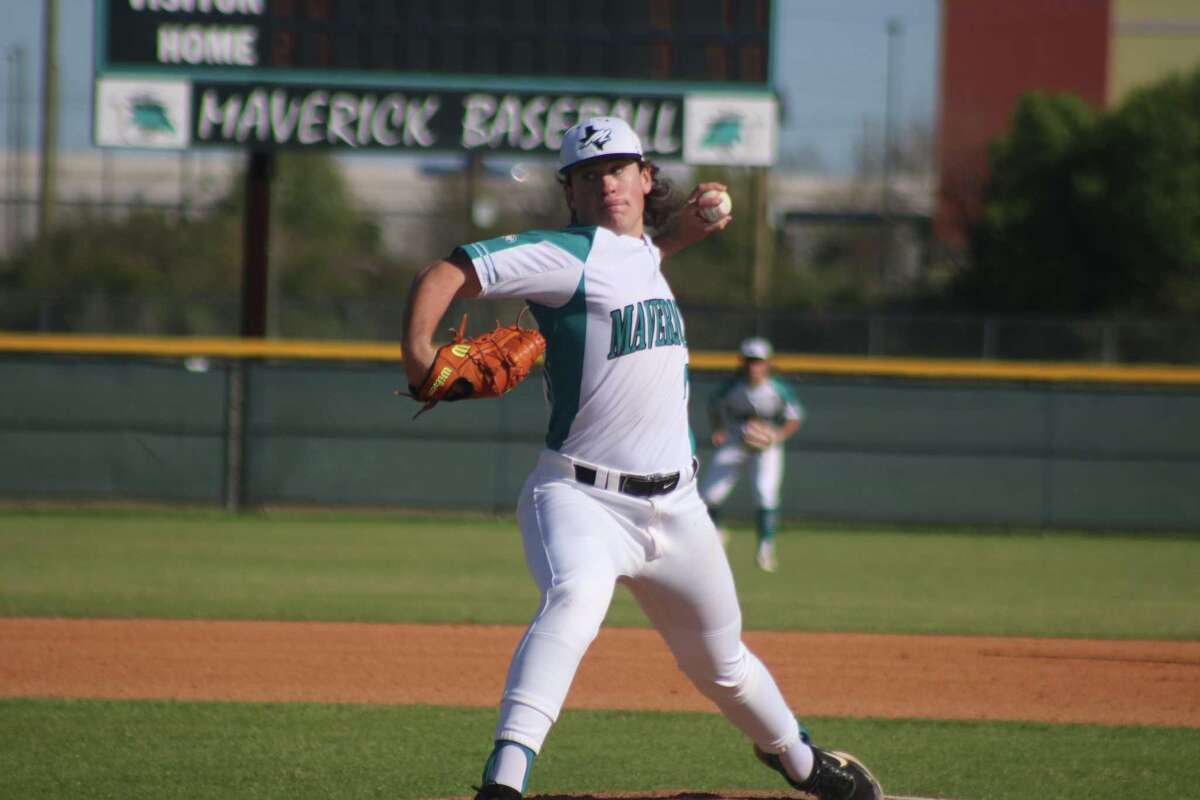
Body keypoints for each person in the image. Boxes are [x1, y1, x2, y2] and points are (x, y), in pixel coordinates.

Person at [402, 116, 880, 800]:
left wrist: (688, 228)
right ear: (572, 192)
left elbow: (640, 257)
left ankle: (804, 764)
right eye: (589, 175)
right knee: (574, 604)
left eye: (620, 168)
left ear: (646, 176)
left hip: (678, 508)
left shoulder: (642, 256)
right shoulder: (561, 253)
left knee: (723, 664)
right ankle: (503, 784)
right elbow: (447, 270)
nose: (607, 183)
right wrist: (419, 353)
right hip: (580, 499)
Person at [701, 337, 805, 572]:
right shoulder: (731, 387)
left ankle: (765, 549)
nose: (753, 366)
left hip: (766, 445)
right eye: (749, 361)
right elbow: (714, 406)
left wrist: (777, 436)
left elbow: (795, 416)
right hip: (737, 439)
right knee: (708, 495)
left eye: (758, 361)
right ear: (742, 362)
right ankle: (718, 532)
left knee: (765, 494)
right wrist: (718, 429)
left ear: (767, 363)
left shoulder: (778, 389)